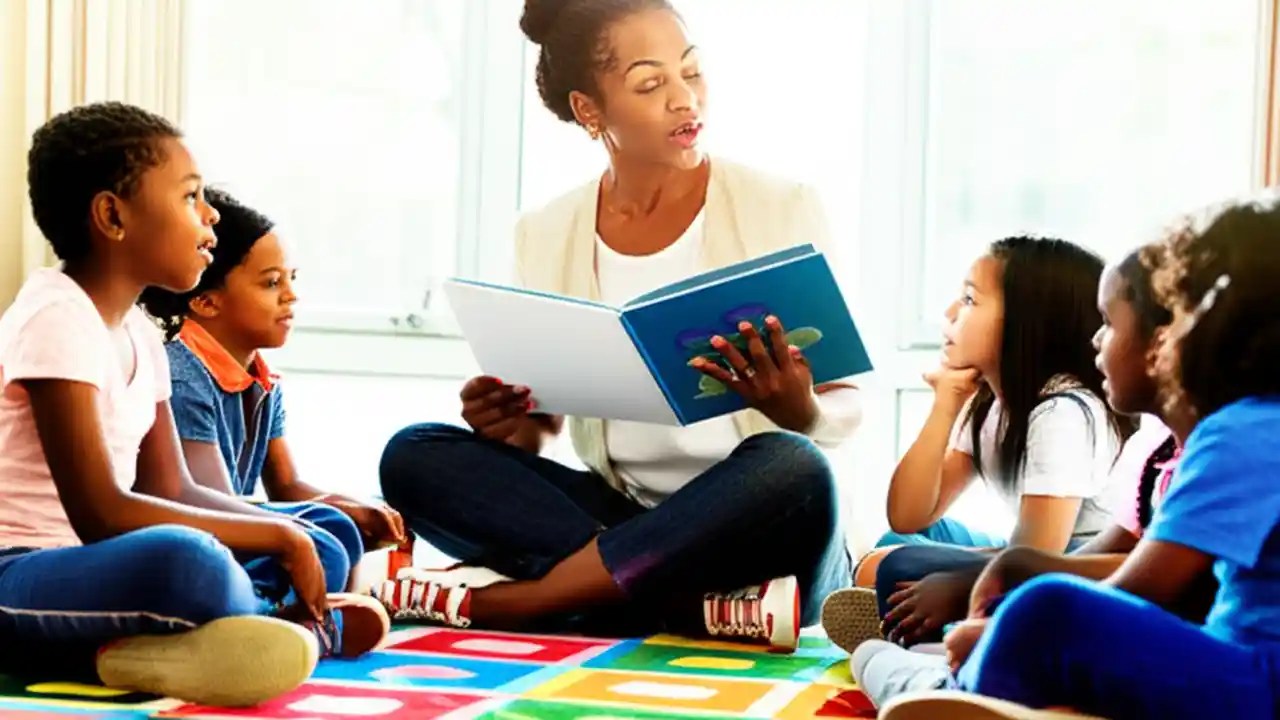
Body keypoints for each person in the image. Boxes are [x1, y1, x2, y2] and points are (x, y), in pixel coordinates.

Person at [373, 0, 861, 651]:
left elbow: (846, 402)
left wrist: (802, 411)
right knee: (413, 455)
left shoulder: (781, 206)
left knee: (792, 465)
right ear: (589, 110)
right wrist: (510, 423)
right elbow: (547, 421)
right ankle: (690, 607)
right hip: (619, 520)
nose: (685, 100)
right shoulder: (546, 232)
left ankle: (534, 603)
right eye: (651, 84)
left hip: (762, 528)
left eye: (691, 72)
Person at [0, 102, 376, 708]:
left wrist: (290, 532)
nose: (211, 217)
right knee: (189, 562)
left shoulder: (143, 335)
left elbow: (173, 489)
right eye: (190, 198)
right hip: (22, 569)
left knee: (327, 535)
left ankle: (176, 645)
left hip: (103, 564)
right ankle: (294, 626)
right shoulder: (56, 315)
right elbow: (99, 511)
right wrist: (278, 540)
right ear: (112, 216)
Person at [862, 196, 1280, 719]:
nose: (1097, 339)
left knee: (1047, 610)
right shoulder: (1244, 427)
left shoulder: (1242, 431)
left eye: (1179, 308)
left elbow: (1145, 588)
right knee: (1023, 595)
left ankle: (950, 688)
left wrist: (1006, 616)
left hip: (1253, 682)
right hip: (1240, 670)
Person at [823, 237, 1134, 651]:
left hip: (1076, 564)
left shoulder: (1063, 413)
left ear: (1027, 321)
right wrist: (945, 405)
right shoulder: (992, 404)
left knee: (896, 565)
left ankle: (922, 621)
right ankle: (911, 617)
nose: (949, 313)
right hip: (1027, 552)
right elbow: (908, 515)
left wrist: (953, 578)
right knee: (891, 550)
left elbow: (1041, 551)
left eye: (969, 299)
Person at [138, 188, 407, 594]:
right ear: (208, 303)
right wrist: (316, 519)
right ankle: (274, 613)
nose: (291, 295)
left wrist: (355, 507)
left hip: (236, 527)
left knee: (339, 527)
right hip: (201, 529)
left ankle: (308, 609)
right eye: (271, 283)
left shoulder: (262, 380)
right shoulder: (182, 375)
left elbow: (286, 485)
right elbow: (210, 500)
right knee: (327, 541)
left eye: (291, 278)